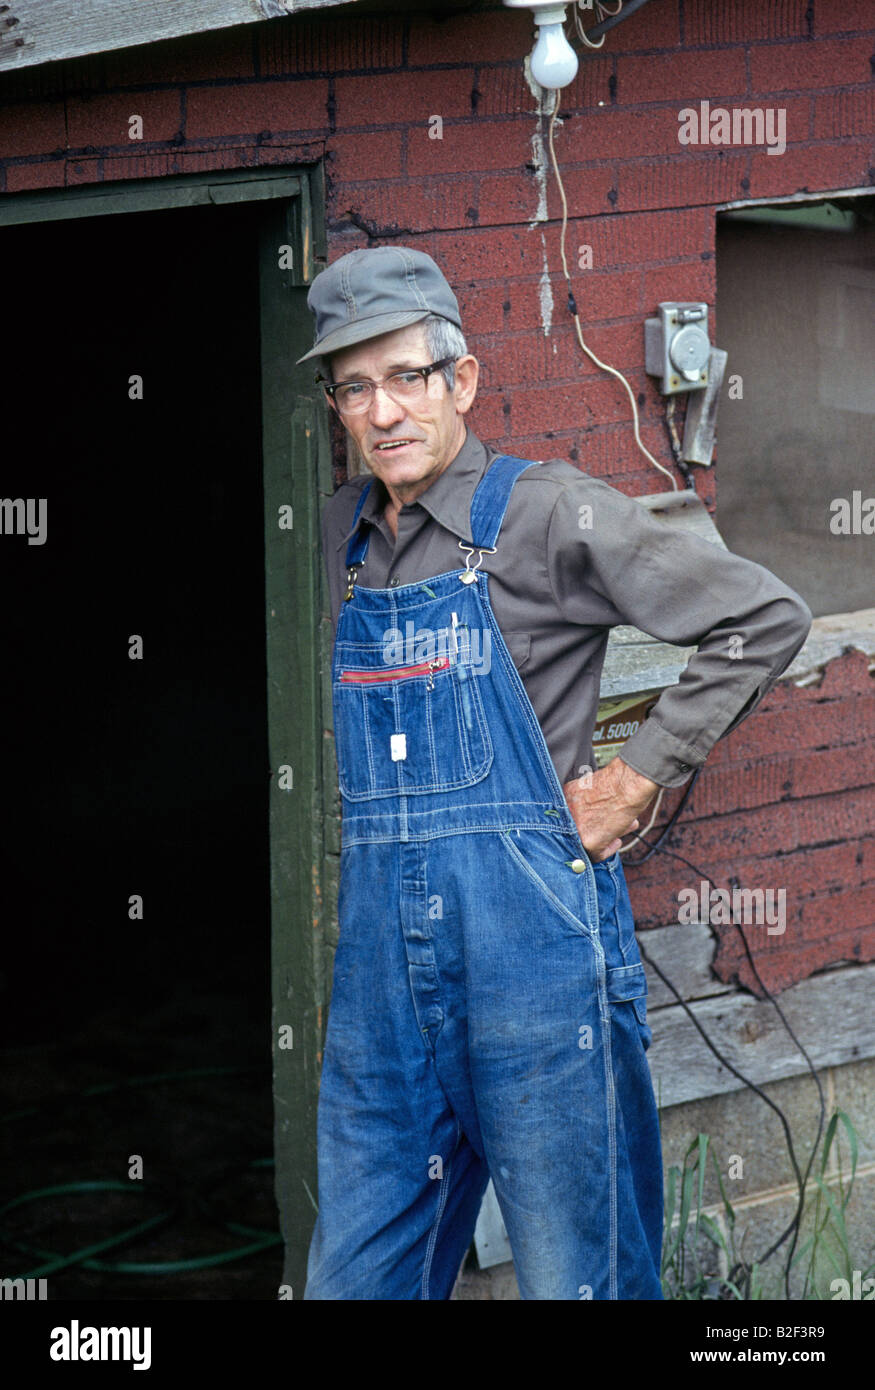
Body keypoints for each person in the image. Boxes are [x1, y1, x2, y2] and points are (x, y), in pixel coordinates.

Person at [298, 246, 812, 1301]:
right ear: (334, 407)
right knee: (355, 1280)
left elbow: (762, 617)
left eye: (406, 376)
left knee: (583, 1280)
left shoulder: (544, 514)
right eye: (355, 387)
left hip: (536, 974)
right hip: (381, 1000)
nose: (383, 410)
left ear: (463, 380)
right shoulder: (342, 547)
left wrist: (636, 778)